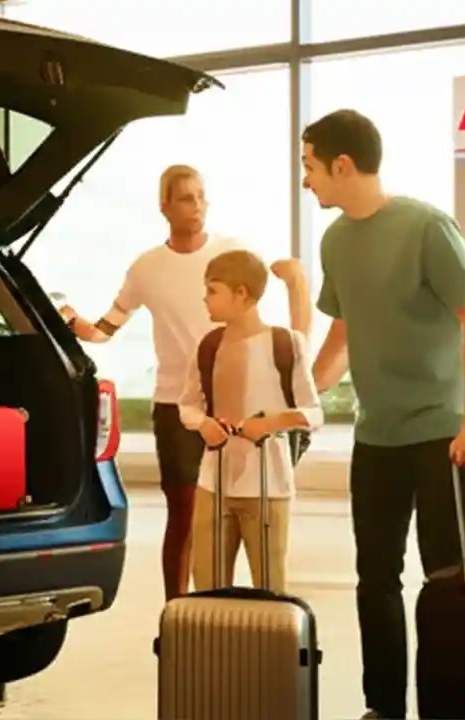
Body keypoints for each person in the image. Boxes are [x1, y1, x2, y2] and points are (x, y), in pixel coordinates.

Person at [301, 109, 465, 719]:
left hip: (445, 435)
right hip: (378, 437)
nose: (305, 181)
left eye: (309, 168)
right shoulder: (335, 240)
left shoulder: (426, 226)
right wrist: (304, 398)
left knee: (446, 580)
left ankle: (453, 706)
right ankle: (383, 706)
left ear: (342, 165)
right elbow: (342, 335)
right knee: (375, 580)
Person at [59, 164, 312, 602]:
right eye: (186, 198)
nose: (197, 207)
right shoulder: (146, 268)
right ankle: (178, 613)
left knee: (245, 513)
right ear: (164, 207)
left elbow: (282, 329)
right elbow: (103, 330)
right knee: (186, 513)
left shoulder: (231, 253)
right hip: (177, 405)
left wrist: (297, 283)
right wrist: (68, 319)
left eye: (201, 197)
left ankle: (257, 612)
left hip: (237, 405)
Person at [177, 250, 324, 594]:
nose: (206, 300)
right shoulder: (209, 345)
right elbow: (187, 405)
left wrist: (273, 422)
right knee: (207, 589)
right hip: (213, 483)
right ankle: (213, 648)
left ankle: (270, 648)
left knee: (270, 588)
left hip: (268, 485)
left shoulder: (285, 344)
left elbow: (314, 413)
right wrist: (202, 424)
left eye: (213, 291)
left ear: (241, 293)